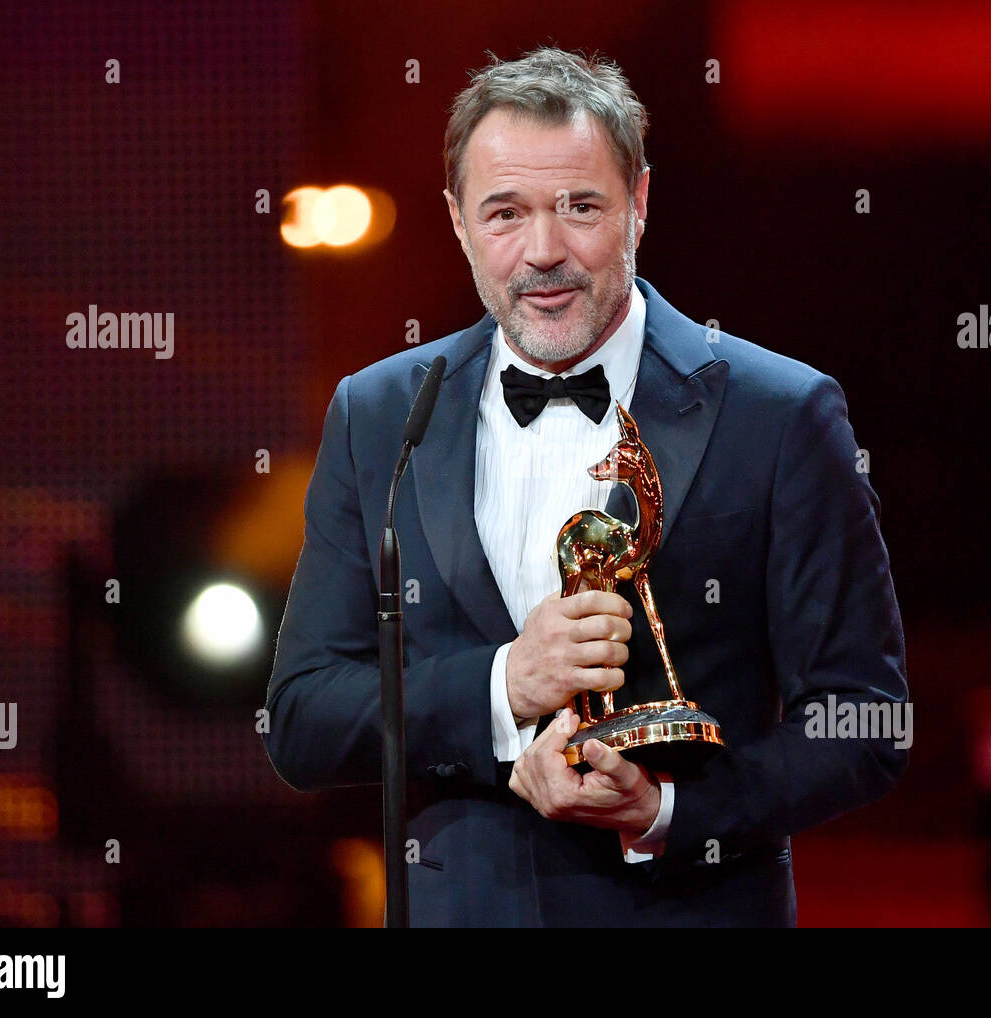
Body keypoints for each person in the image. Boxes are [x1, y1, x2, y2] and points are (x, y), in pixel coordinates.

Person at [263, 46, 909, 927]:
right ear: (456, 221)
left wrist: (670, 814)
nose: (543, 251)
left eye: (580, 207)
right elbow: (302, 719)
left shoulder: (780, 413)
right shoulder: (380, 414)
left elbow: (864, 723)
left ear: (640, 202)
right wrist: (504, 688)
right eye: (505, 212)